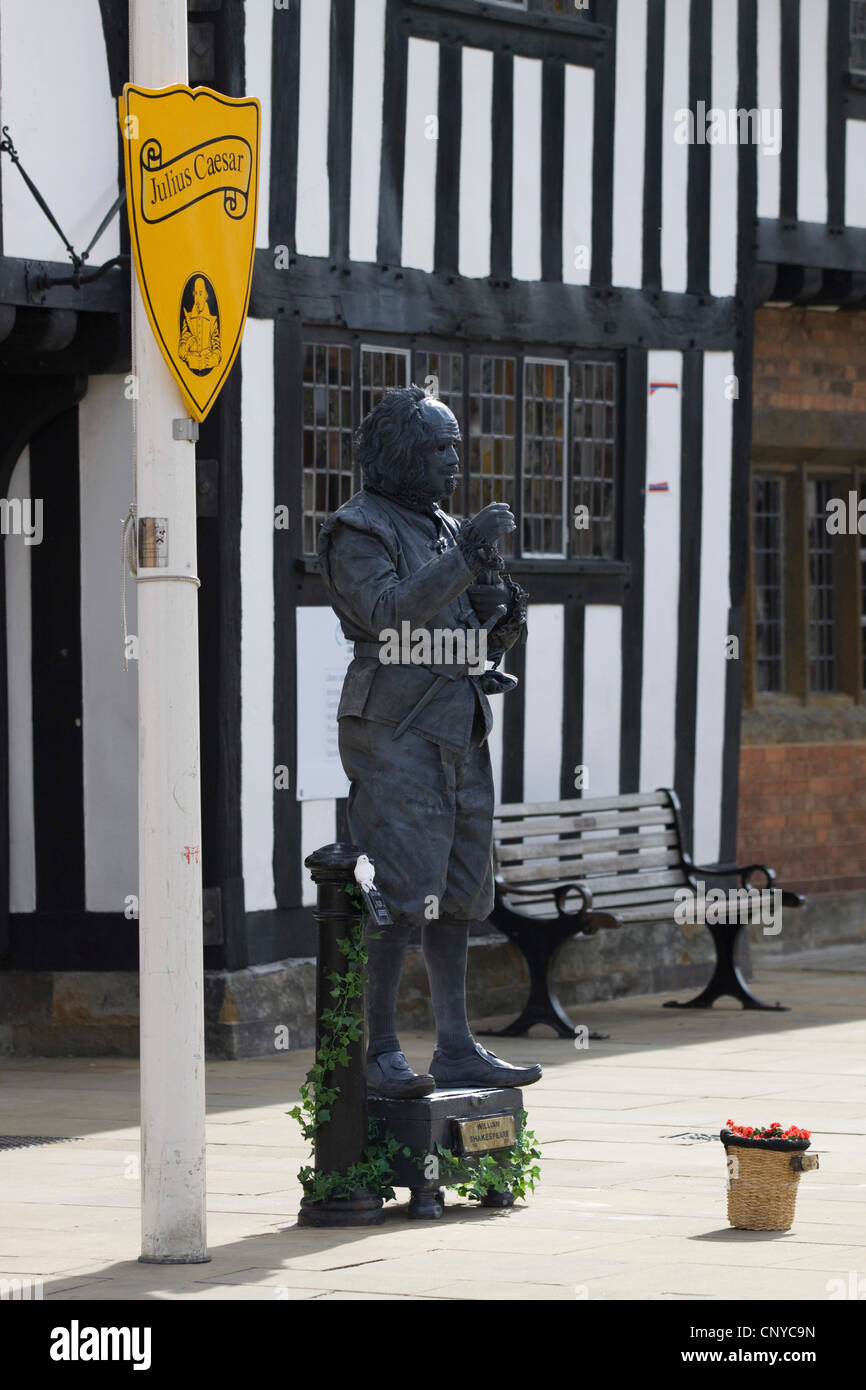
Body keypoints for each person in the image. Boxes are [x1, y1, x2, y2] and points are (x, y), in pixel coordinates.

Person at [317, 384, 543, 1098]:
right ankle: (378, 1050)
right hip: (396, 731)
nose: (455, 460)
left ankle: (455, 1046)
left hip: (459, 721)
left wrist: (500, 609)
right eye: (440, 447)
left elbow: (473, 629)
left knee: (462, 893)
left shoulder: (443, 525)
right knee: (401, 893)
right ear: (403, 453)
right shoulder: (359, 527)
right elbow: (388, 616)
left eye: (454, 446)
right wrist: (468, 556)